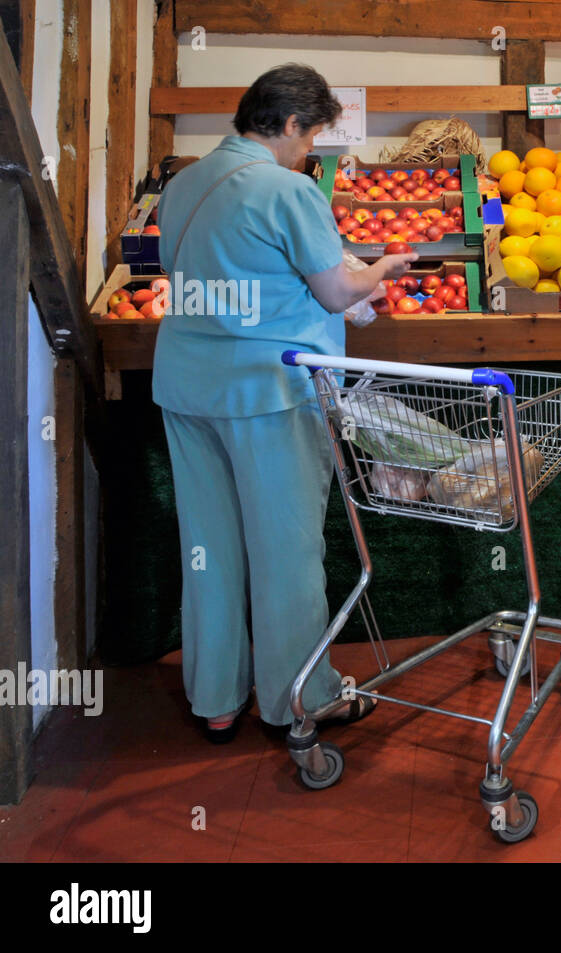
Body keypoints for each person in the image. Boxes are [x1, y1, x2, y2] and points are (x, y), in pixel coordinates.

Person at [153, 63, 416, 742]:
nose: (312, 152)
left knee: (207, 546)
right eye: (313, 137)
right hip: (269, 393)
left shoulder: (182, 185)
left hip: (187, 387)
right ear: (292, 123)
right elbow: (336, 293)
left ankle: (215, 697)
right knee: (286, 552)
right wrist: (382, 268)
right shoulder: (287, 188)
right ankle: (299, 700)